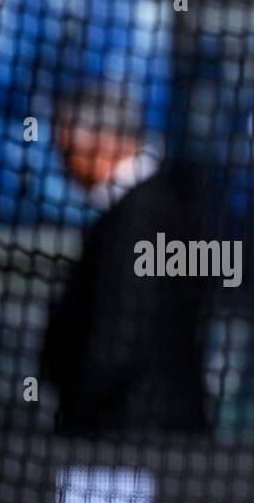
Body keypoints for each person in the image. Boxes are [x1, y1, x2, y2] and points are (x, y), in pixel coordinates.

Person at [41, 84, 211, 436]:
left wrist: (77, 406)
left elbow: (120, 334)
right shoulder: (163, 202)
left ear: (96, 142)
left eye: (66, 149)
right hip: (152, 433)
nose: (62, 165)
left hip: (128, 437)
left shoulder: (140, 216)